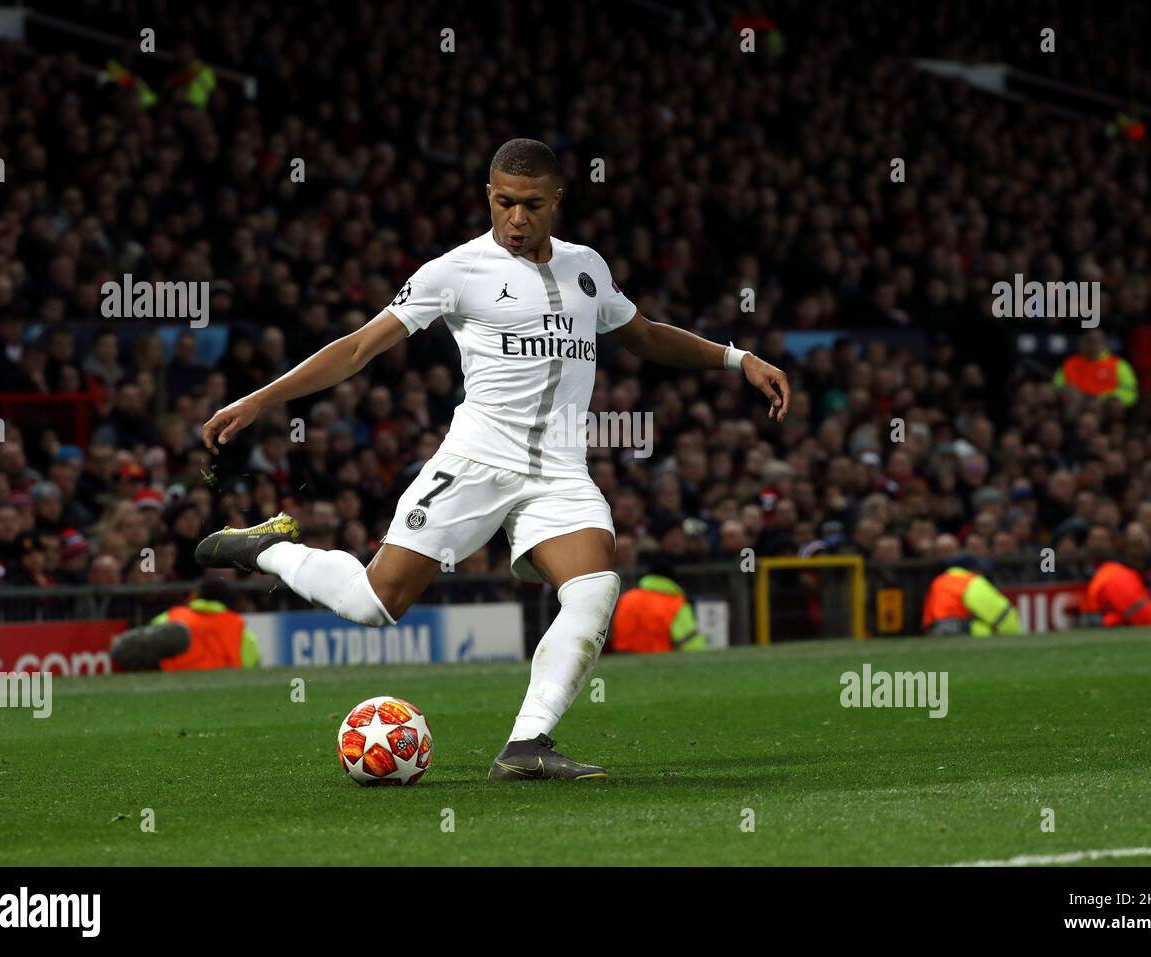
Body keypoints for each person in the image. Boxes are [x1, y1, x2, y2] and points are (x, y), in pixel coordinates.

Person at [194, 139, 790, 780]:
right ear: (488, 196)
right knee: (376, 603)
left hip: (559, 471)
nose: (516, 218)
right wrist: (262, 398)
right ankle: (263, 549)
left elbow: (643, 334)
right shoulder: (454, 271)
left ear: (556, 200)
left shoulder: (587, 267)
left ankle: (527, 745)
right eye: (504, 202)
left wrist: (737, 358)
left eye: (531, 205)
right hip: (477, 459)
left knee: (593, 590)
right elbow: (359, 348)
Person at [110, 577, 259, 671]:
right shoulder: (238, 627)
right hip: (226, 691)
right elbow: (252, 662)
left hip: (173, 684)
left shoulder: (173, 616)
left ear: (198, 595)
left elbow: (148, 642)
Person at [608, 557, 706, 653]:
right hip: (660, 661)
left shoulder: (626, 599)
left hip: (622, 659)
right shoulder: (676, 603)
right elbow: (691, 645)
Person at [920, 555, 1022, 637]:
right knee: (985, 629)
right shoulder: (971, 581)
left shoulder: (938, 581)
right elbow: (1001, 614)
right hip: (960, 632)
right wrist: (1013, 633)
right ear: (973, 569)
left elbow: (928, 618)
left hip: (935, 632)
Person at [1079, 535, 1151, 628]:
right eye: (1135, 556)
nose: (1139, 557)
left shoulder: (1113, 571)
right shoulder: (1120, 578)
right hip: (1097, 625)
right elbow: (1148, 619)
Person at [1052, 329, 1139, 407]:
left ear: (1104, 343)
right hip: (1076, 405)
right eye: (1088, 341)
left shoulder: (1118, 364)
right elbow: (1057, 386)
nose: (1091, 345)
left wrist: (1103, 398)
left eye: (1095, 341)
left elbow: (1130, 392)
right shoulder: (1070, 363)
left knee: (1113, 405)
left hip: (1103, 407)